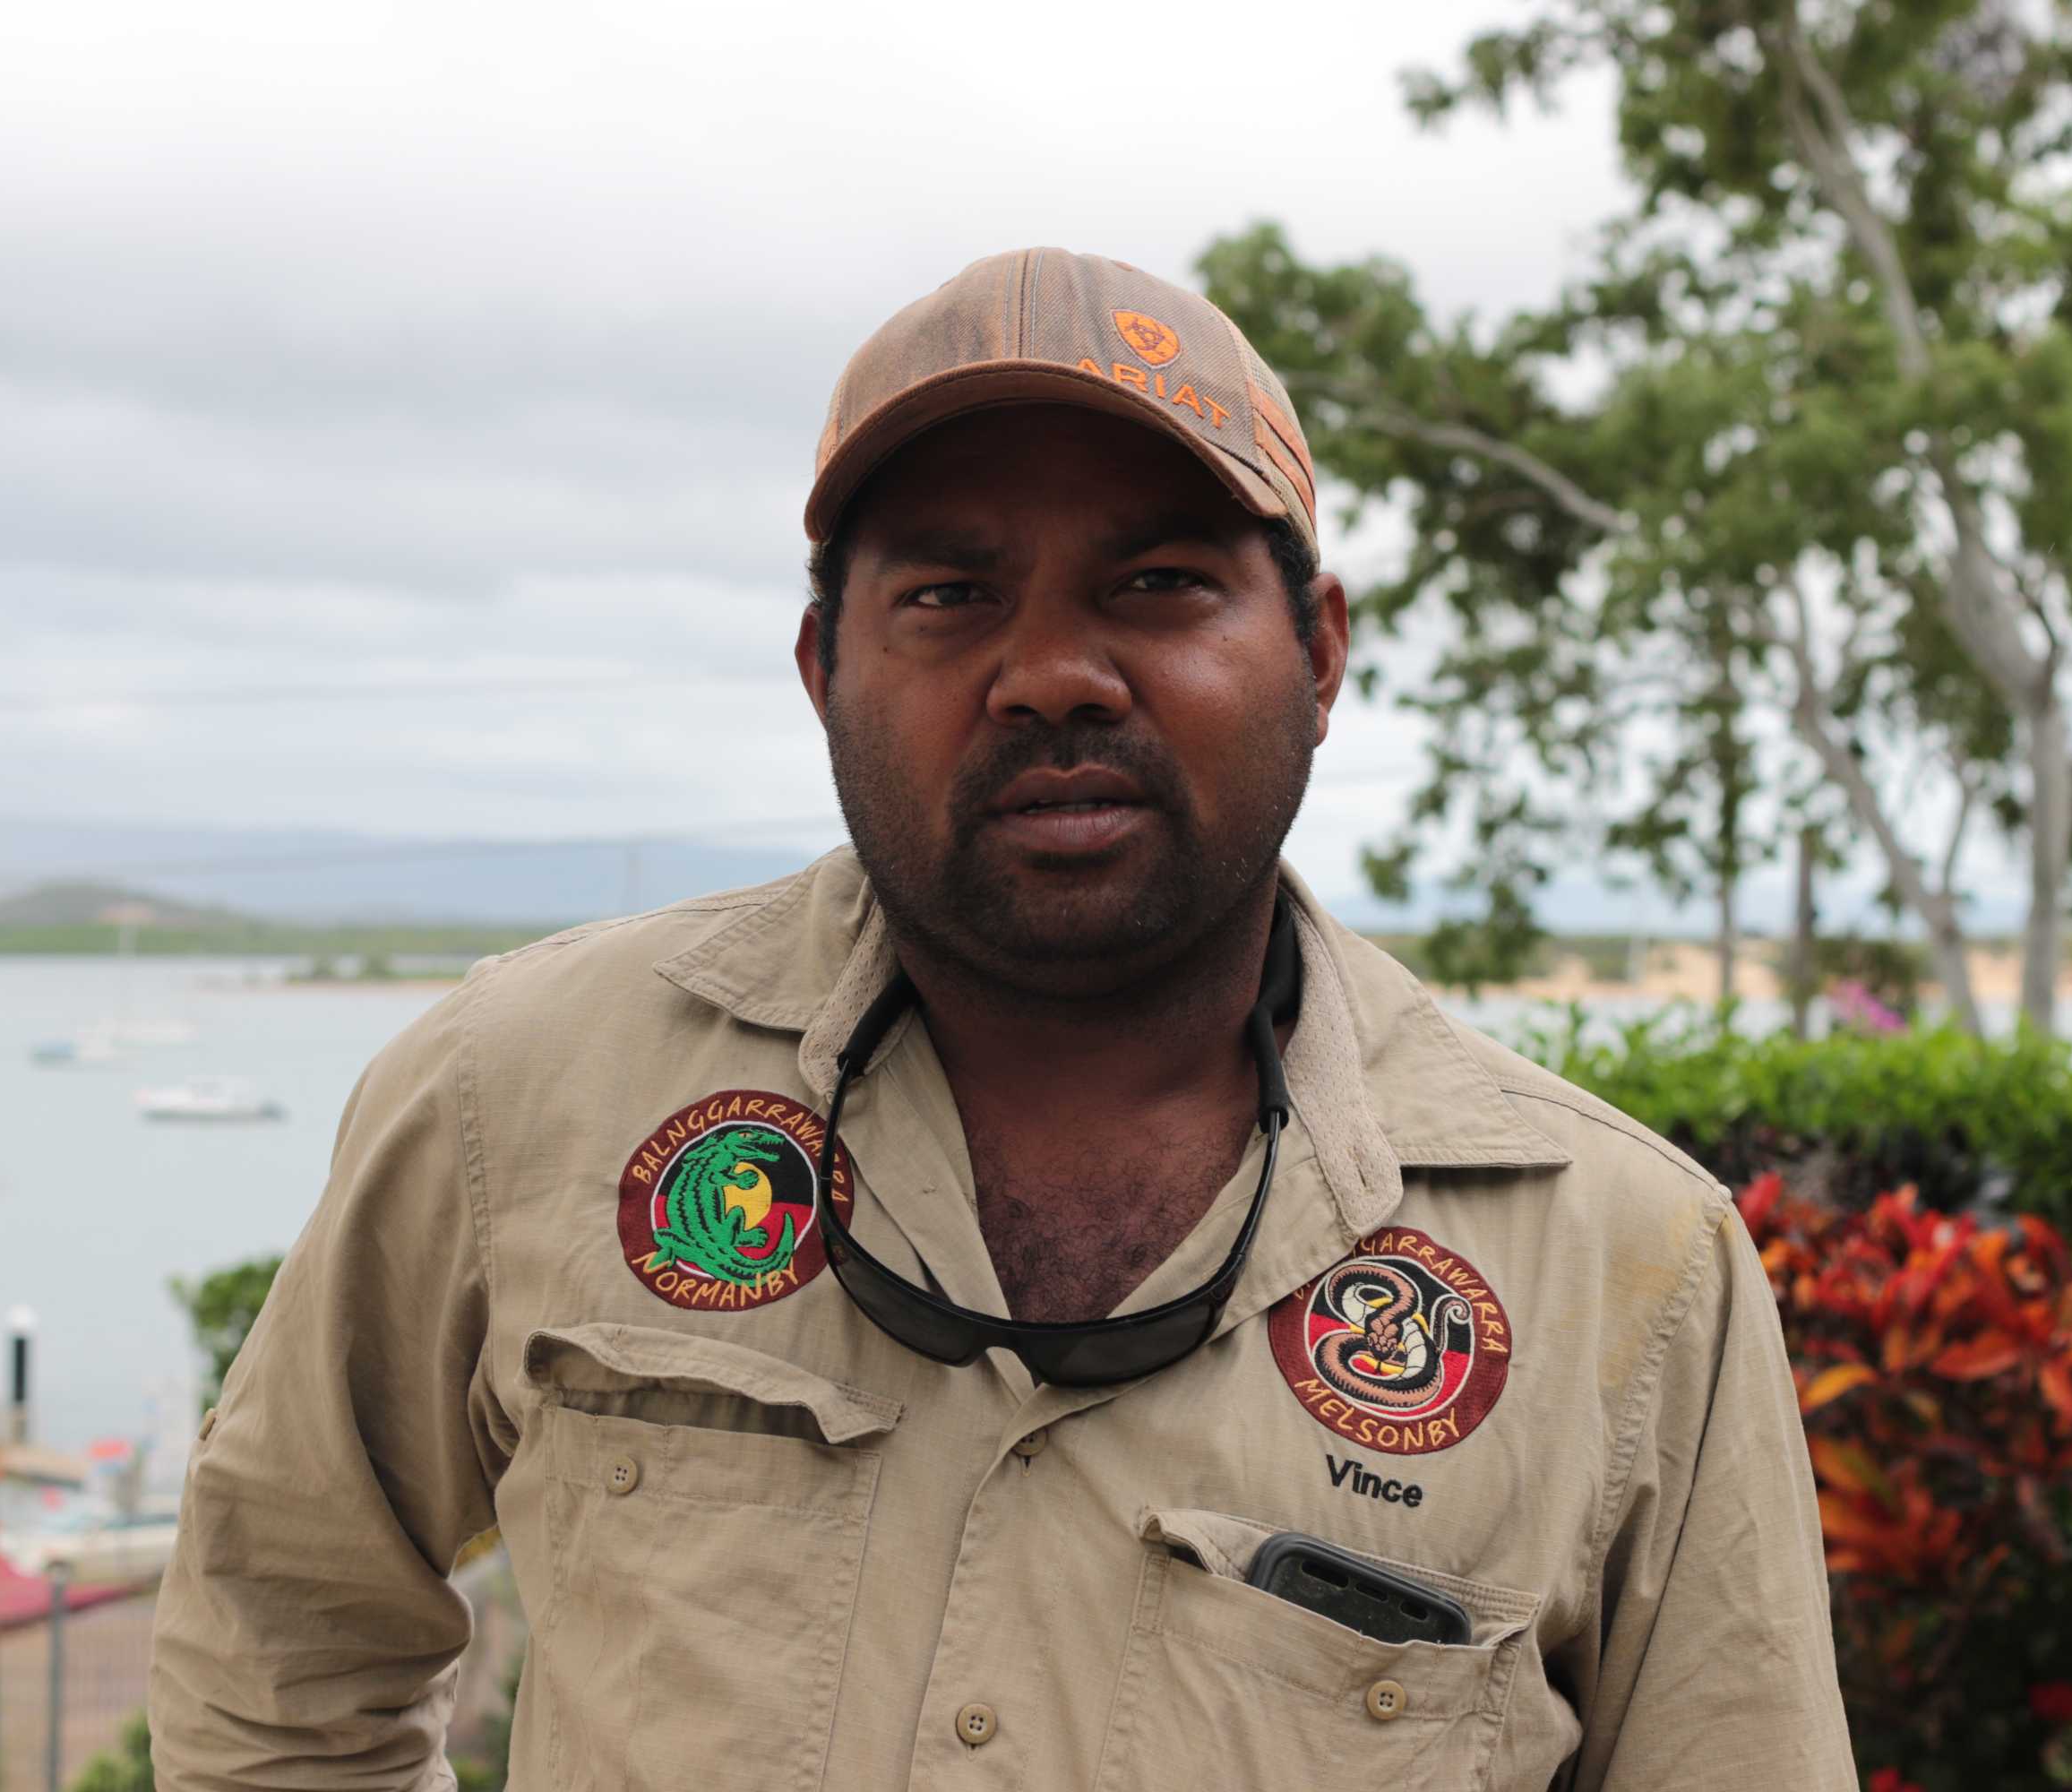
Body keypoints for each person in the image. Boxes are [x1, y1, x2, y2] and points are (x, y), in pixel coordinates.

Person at [149, 248, 1855, 1790]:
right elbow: (279, 1660)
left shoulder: (1621, 1268)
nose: (1052, 673)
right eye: (952, 596)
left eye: (1162, 584)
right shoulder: (516, 1089)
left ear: (1321, 656)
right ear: (824, 666)